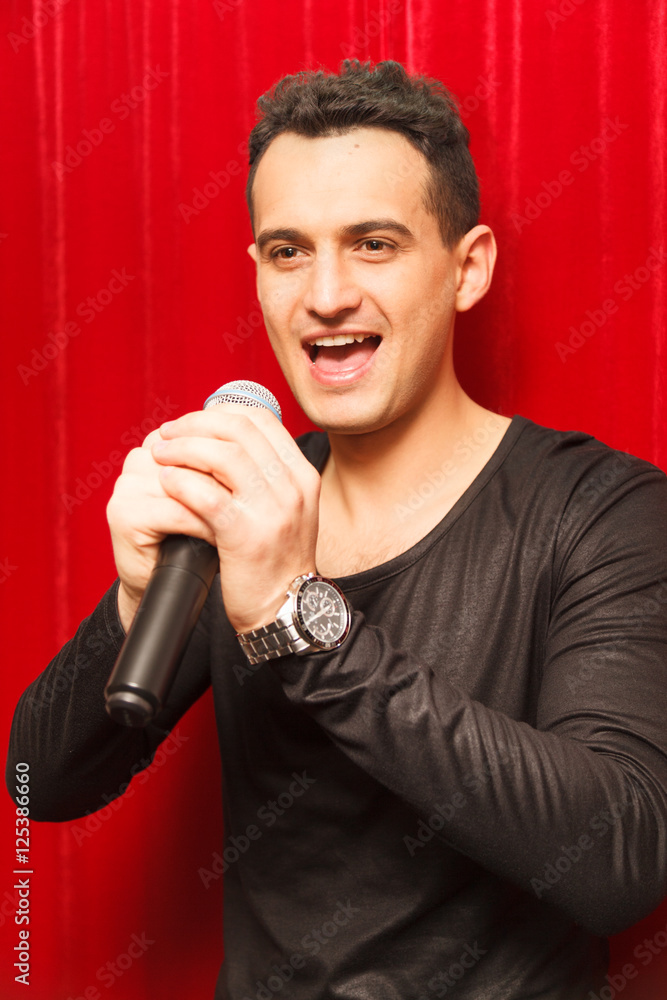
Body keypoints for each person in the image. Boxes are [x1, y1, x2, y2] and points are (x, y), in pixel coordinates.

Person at [7, 59, 667, 999]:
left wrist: (298, 618)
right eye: (288, 251)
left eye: (373, 244)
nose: (325, 295)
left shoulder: (601, 508)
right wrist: (135, 604)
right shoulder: (244, 501)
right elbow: (38, 785)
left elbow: (619, 857)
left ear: (467, 268)